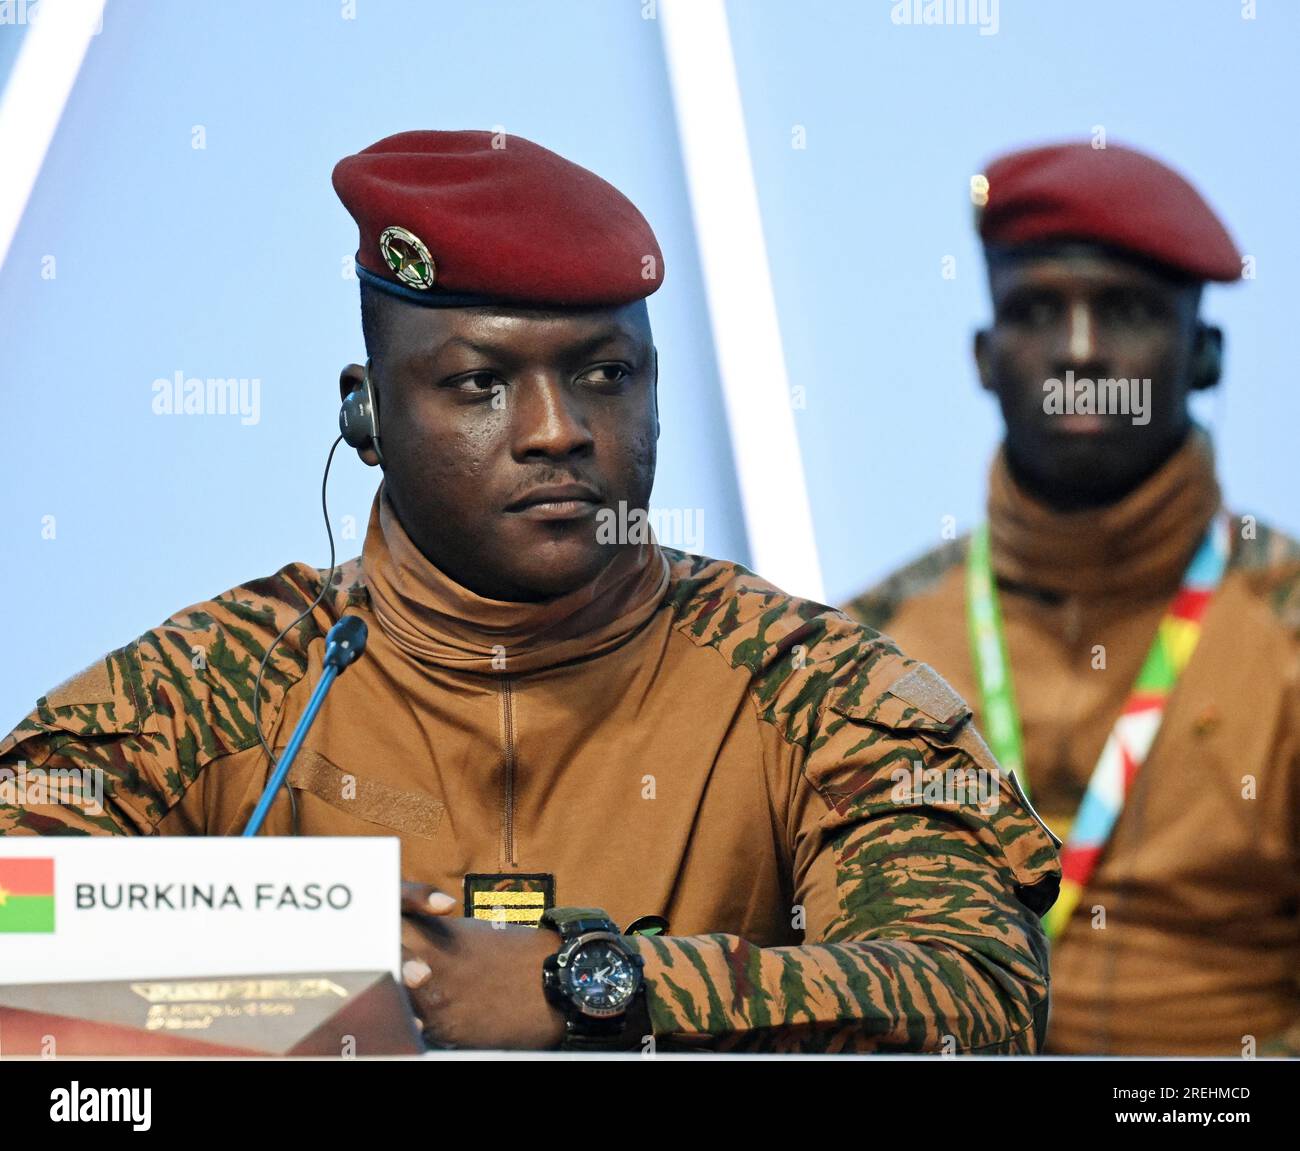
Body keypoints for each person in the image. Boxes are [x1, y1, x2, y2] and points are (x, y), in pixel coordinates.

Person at [0, 130, 1059, 1054]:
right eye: (479, 383)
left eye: (606, 374)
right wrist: (301, 955)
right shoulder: (214, 688)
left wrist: (589, 988)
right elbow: (12, 926)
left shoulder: (811, 687)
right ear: (366, 415)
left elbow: (977, 990)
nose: (557, 428)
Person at [844, 140, 1300, 1056]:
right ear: (983, 356)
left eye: (1126, 310)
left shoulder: (1283, 634)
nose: (1081, 352)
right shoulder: (870, 646)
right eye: (1037, 310)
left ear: (1206, 355)